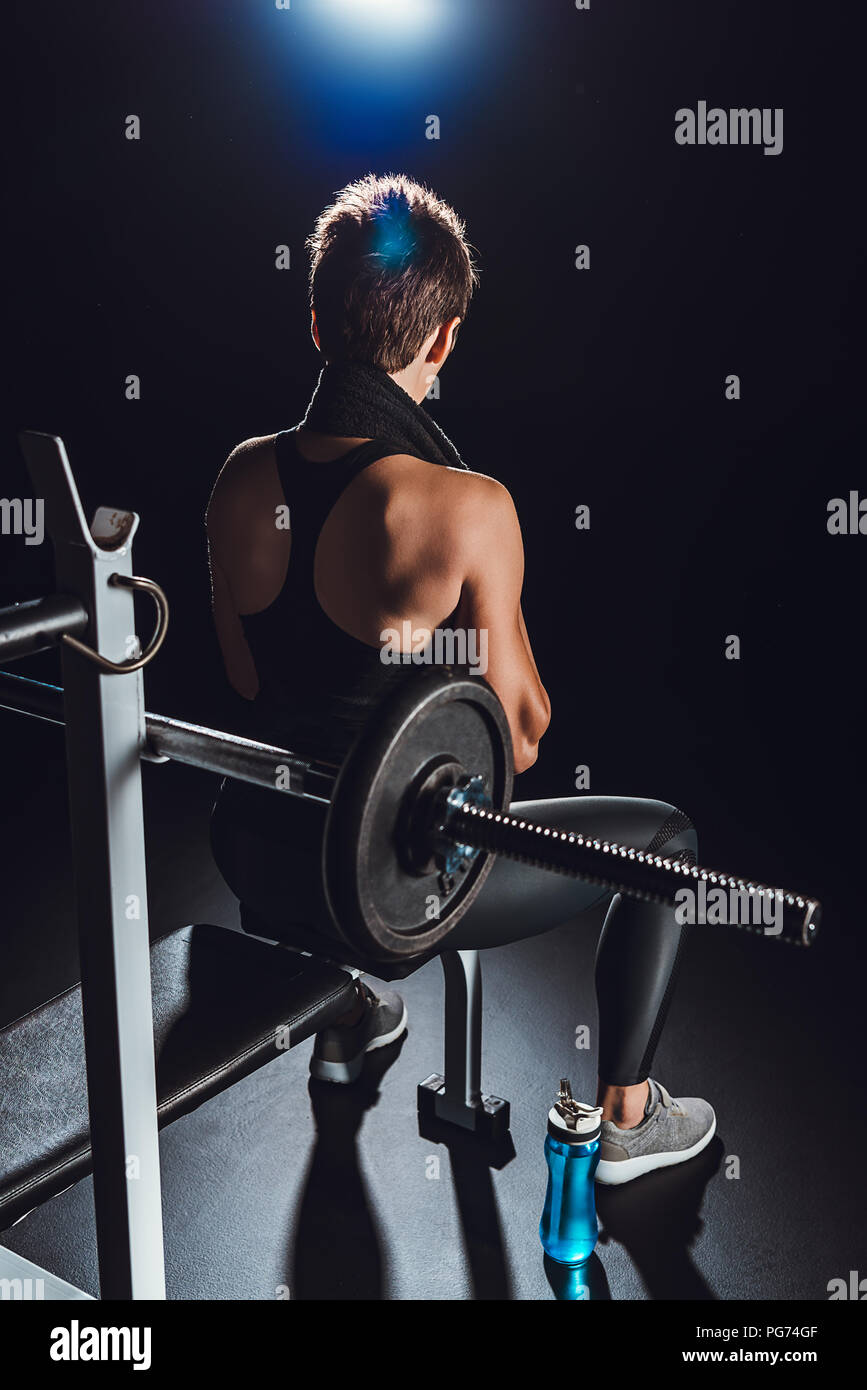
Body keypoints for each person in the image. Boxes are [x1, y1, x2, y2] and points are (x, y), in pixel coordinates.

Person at [205, 174, 715, 1185]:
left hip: (258, 860)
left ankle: (345, 1023)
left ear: (318, 327)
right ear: (441, 340)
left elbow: (249, 682)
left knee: (336, 783)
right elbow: (522, 736)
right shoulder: (467, 506)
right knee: (667, 839)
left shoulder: (238, 478)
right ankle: (625, 1121)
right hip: (377, 898)